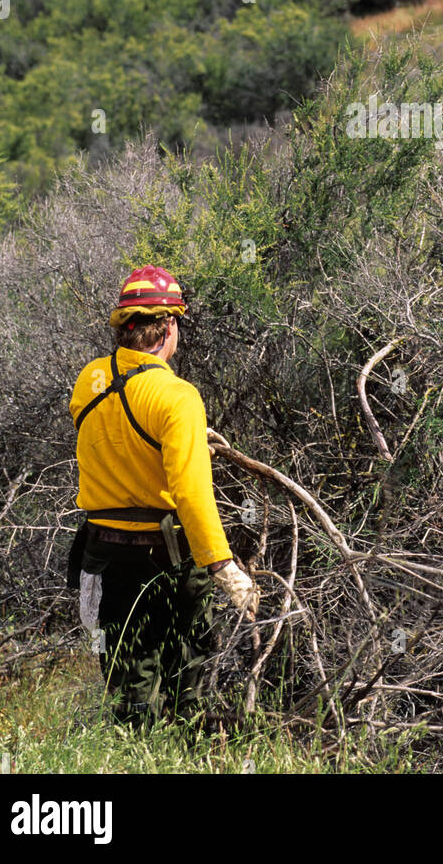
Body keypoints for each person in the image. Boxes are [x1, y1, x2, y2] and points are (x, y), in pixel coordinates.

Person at [68, 265, 258, 730]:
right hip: (165, 555)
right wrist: (223, 566)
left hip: (103, 551)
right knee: (185, 667)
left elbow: (109, 442)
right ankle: (185, 747)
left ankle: (133, 750)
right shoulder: (177, 396)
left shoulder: (88, 380)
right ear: (169, 326)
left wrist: (182, 440)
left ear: (125, 326)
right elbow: (192, 493)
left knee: (126, 669)